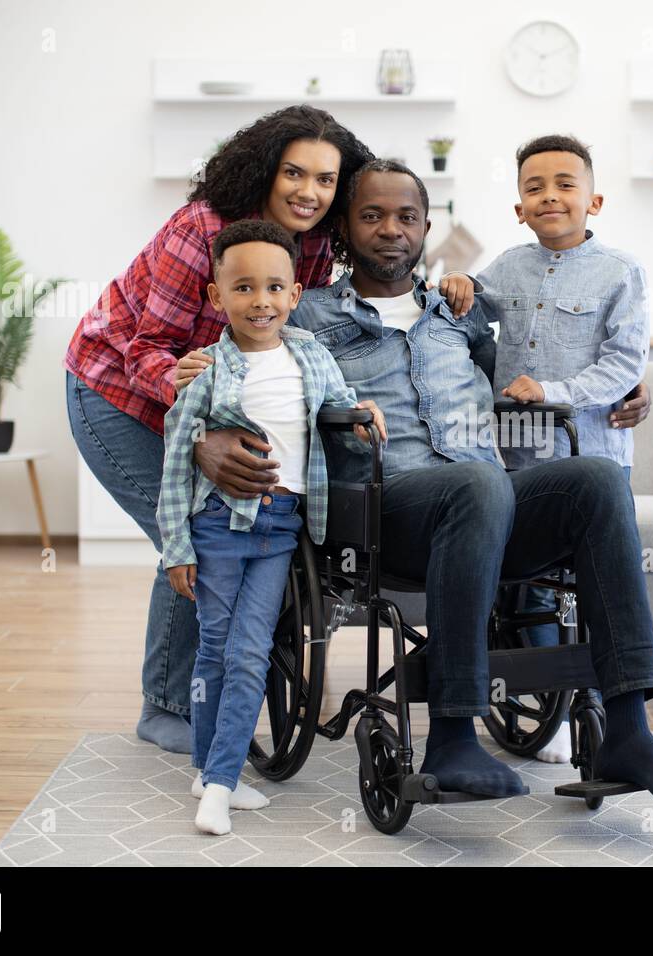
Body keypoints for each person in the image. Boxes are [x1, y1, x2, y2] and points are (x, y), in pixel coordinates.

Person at [190, 159, 653, 813]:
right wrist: (198, 414)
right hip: (384, 516)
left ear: (427, 227)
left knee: (598, 480)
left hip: (485, 499)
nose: (391, 230)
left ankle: (629, 733)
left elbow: (530, 368)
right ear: (346, 232)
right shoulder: (307, 312)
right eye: (372, 216)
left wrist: (628, 386)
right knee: (477, 485)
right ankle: (453, 735)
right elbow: (244, 373)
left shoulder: (459, 312)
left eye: (407, 216)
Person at [64, 105, 374, 753]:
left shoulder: (313, 243)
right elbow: (148, 348)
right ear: (265, 168)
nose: (308, 193)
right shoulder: (201, 230)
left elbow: (283, 341)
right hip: (117, 392)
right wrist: (202, 433)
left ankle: (235, 685)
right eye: (294, 173)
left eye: (325, 180)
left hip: (214, 403)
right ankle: (167, 708)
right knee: (200, 543)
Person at [156, 220, 385, 834]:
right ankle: (212, 776)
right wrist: (176, 548)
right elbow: (179, 461)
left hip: (283, 525)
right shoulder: (207, 369)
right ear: (216, 296)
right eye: (244, 288)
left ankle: (219, 777)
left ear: (292, 295)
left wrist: (363, 409)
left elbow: (337, 404)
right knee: (215, 651)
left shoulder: (310, 352)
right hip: (219, 525)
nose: (260, 301)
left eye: (274, 288)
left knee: (250, 650)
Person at [437, 133, 649, 764]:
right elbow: (468, 313)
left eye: (565, 184)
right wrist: (456, 285)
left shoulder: (622, 273)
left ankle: (599, 710)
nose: (550, 196)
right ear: (518, 208)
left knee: (584, 593)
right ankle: (537, 714)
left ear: (595, 199)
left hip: (592, 457)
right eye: (534, 188)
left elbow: (624, 362)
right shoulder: (506, 266)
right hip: (515, 460)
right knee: (523, 595)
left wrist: (552, 389)